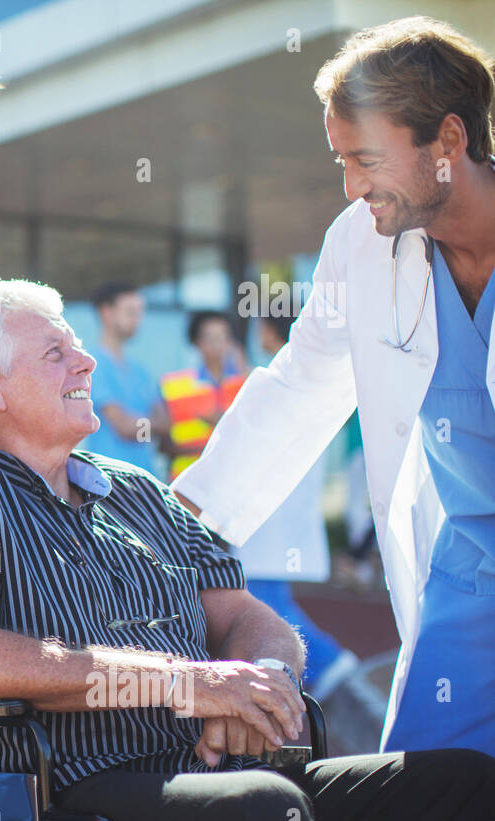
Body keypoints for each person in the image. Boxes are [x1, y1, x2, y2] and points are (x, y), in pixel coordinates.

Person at [0, 279, 495, 821]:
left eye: (78, 345)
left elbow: (248, 617)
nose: (86, 362)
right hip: (58, 798)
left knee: (458, 785)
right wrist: (191, 684)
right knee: (262, 809)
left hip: (211, 774)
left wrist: (259, 682)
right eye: (54, 352)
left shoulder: (139, 490)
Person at [172, 17, 495, 757]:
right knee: (427, 802)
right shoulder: (363, 244)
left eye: (367, 159)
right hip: (469, 578)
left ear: (448, 143)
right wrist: (184, 519)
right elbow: (299, 387)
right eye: (341, 161)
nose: (352, 187)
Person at [234, 314, 364, 703]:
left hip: (267, 516)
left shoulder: (275, 382)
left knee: (261, 601)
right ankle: (320, 669)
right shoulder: (309, 381)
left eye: (260, 328)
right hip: (278, 516)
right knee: (265, 597)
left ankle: (326, 663)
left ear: (271, 332)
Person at [79, 281, 166, 475]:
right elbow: (124, 428)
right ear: (106, 312)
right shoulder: (91, 365)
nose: (138, 319)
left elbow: (165, 425)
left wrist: (142, 426)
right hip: (110, 484)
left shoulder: (141, 371)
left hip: (147, 481)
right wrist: (153, 426)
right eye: (130, 312)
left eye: (140, 312)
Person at [158, 311, 248, 481]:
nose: (217, 344)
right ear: (197, 342)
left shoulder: (246, 384)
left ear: (231, 343)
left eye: (222, 338)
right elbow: (162, 444)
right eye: (210, 338)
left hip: (233, 484)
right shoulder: (173, 385)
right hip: (186, 483)